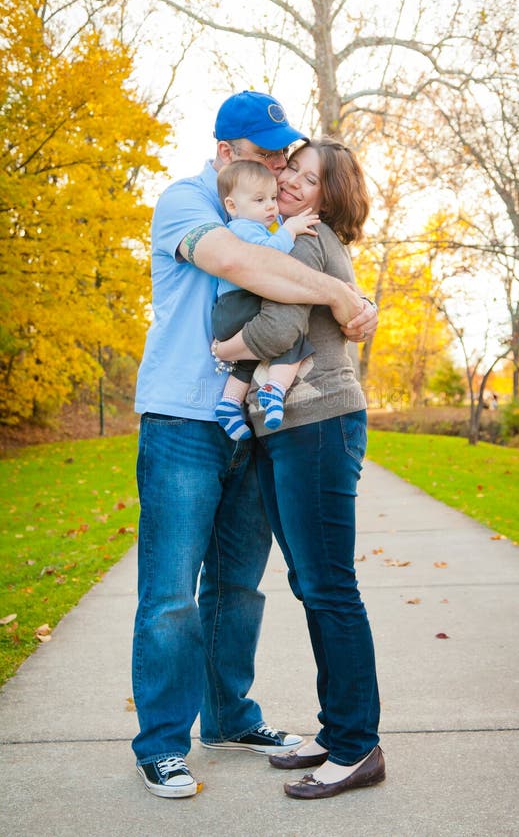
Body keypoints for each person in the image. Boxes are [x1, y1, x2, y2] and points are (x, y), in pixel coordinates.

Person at [132, 91, 378, 799]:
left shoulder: (275, 210)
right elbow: (246, 267)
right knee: (172, 594)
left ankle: (232, 719)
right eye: (263, 153)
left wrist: (345, 295)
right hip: (184, 419)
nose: (275, 166)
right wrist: (339, 296)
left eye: (282, 154)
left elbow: (312, 260)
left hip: (257, 430)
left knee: (238, 588)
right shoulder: (186, 201)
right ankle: (161, 744)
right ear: (223, 152)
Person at [213, 137, 385, 800]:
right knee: (314, 583)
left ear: (329, 194)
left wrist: (229, 347)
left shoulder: (308, 241)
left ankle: (358, 746)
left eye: (310, 180)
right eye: (293, 173)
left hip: (319, 422)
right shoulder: (294, 235)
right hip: (299, 427)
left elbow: (282, 325)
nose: (292, 185)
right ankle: (339, 727)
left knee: (329, 585)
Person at [212, 159, 319, 440]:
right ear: (232, 206)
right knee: (292, 339)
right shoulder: (241, 229)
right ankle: (275, 390)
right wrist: (290, 229)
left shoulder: (252, 226)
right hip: (241, 304)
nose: (271, 205)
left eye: (273, 197)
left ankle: (229, 404)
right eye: (260, 200)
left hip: (230, 311)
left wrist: (281, 224)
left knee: (247, 361)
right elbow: (268, 257)